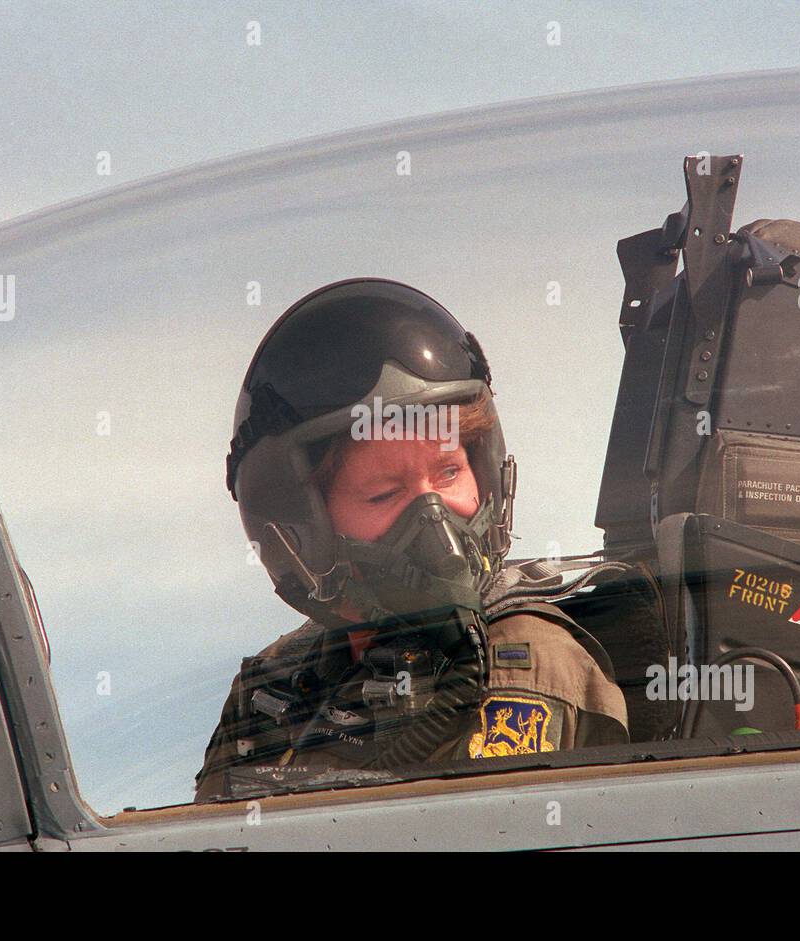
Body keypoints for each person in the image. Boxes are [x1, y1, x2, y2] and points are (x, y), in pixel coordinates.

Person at [195, 279, 630, 801]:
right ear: (303, 530)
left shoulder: (524, 661)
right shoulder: (274, 686)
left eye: (448, 473)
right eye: (384, 494)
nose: (434, 520)